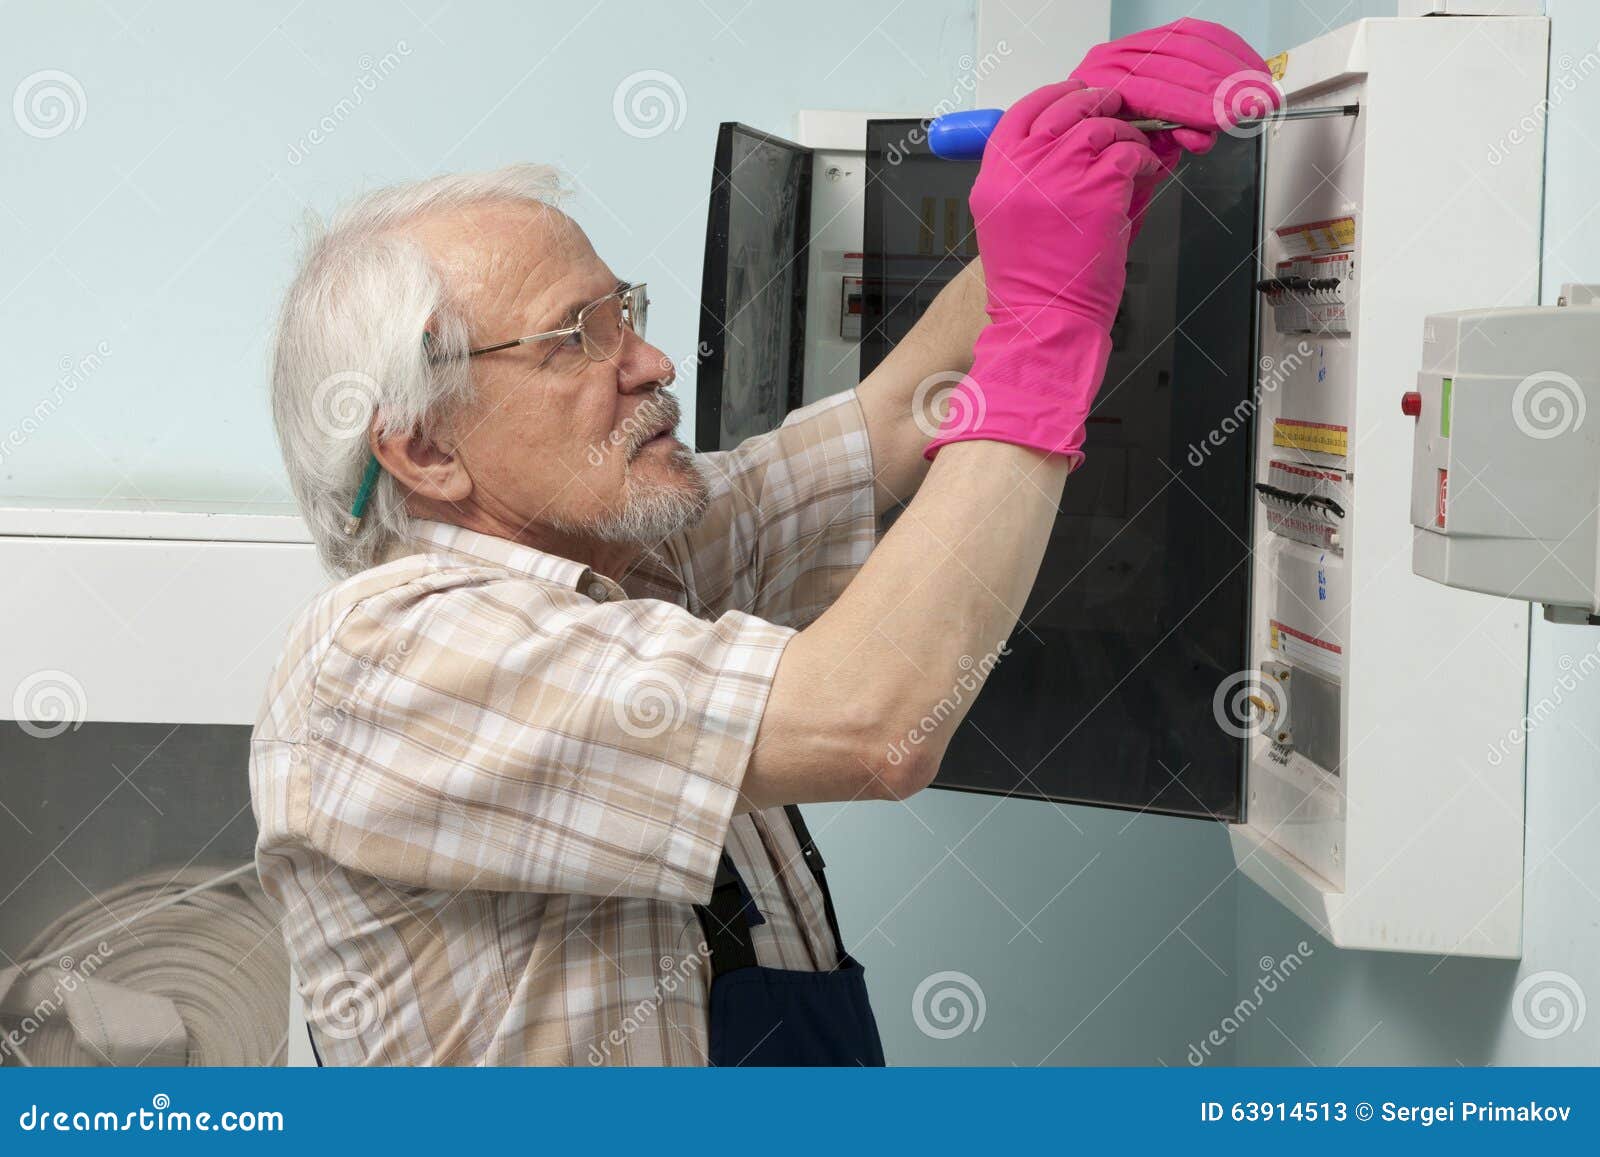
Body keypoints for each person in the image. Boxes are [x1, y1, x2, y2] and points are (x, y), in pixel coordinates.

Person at [250, 19, 1278, 1066]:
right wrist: (1043, 334)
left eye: (627, 312)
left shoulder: (628, 571)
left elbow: (890, 424)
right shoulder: (387, 661)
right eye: (580, 336)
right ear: (424, 448)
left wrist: (1094, 190)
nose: (652, 362)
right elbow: (874, 720)